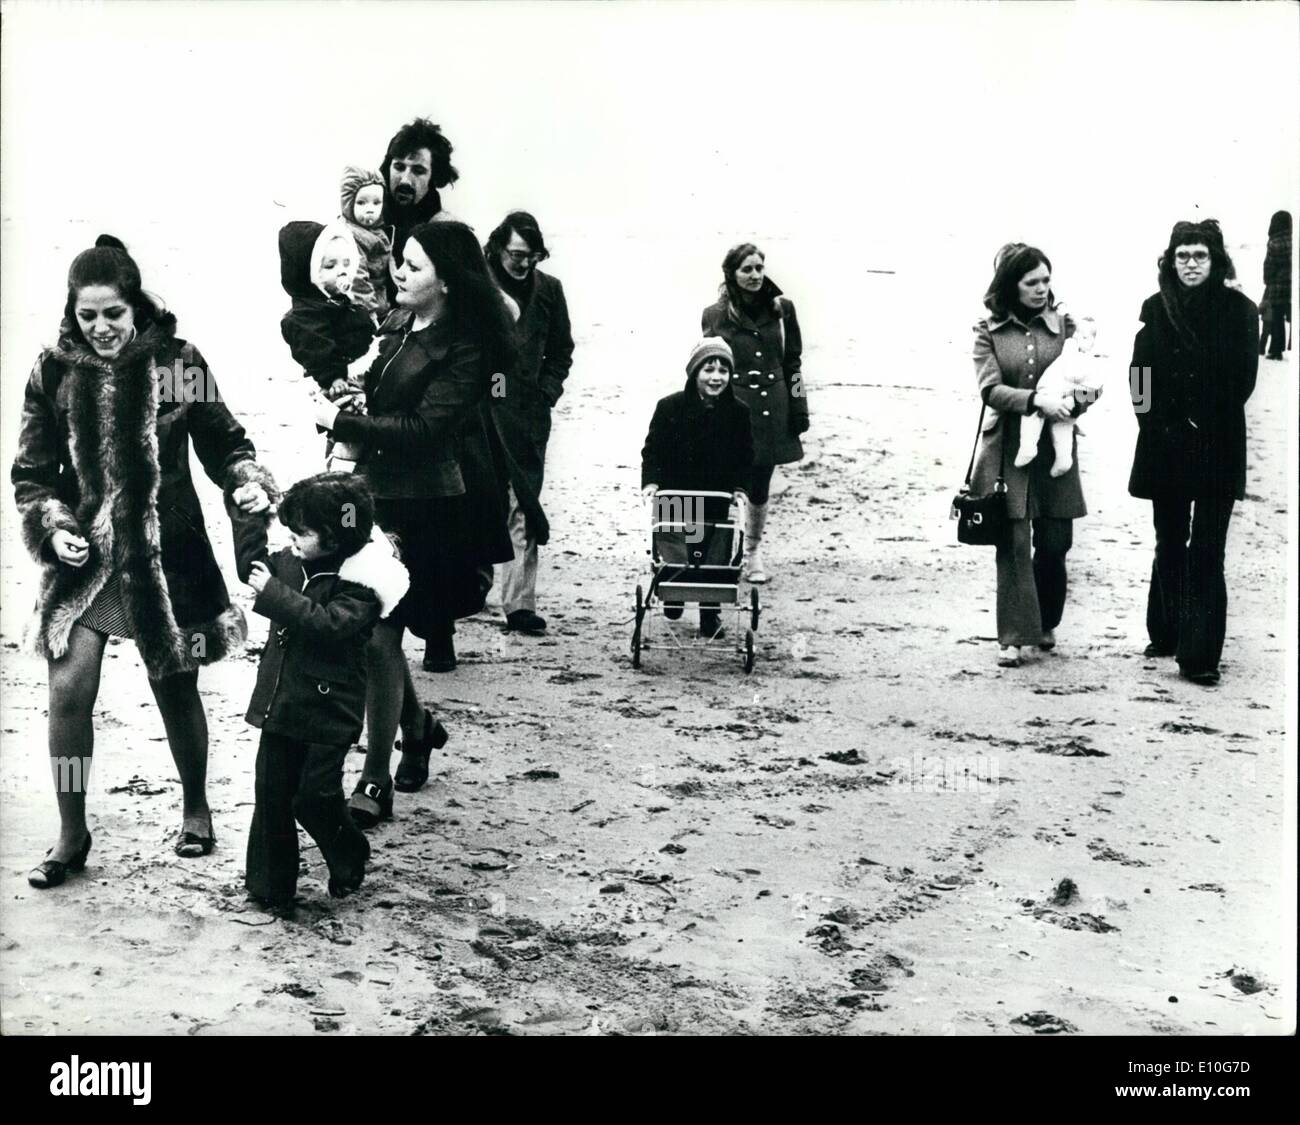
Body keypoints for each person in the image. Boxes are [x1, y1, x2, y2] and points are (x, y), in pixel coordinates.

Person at [12, 235, 277, 887]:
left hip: (165, 559)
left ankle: (195, 805)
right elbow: (31, 474)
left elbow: (225, 443)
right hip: (86, 563)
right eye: (87, 315)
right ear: (71, 313)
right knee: (68, 691)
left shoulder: (178, 362)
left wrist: (246, 477)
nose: (101, 328)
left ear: (136, 306)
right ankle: (71, 830)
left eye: (113, 314)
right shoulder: (51, 371)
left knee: (174, 683)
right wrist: (55, 525)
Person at [313, 220, 514, 819]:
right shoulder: (400, 322)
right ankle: (419, 724)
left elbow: (428, 431)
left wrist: (345, 426)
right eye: (399, 260)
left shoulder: (467, 347)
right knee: (376, 634)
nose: (397, 271)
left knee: (380, 632)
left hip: (429, 506)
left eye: (413, 266)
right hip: (374, 494)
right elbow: (383, 395)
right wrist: (351, 394)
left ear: (447, 284)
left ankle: (374, 778)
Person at [243, 472, 409, 911]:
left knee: (314, 797)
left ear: (336, 538)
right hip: (281, 703)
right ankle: (270, 885)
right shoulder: (293, 559)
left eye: (303, 531)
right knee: (271, 794)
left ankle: (348, 852)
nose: (292, 538)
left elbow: (329, 625)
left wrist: (275, 595)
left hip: (327, 711)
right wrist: (247, 514)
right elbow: (253, 567)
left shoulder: (364, 583)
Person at [1128, 219, 1259, 686]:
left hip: (1216, 445)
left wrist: (1200, 423)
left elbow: (1242, 381)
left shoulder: (1241, 311)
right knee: (1169, 540)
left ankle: (1199, 655)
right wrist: (1152, 423)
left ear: (1216, 260)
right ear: (1171, 259)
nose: (1190, 264)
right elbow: (1139, 377)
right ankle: (1165, 632)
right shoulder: (1155, 308)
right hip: (1162, 444)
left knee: (1207, 548)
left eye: (1200, 255)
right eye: (1182, 255)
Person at [971, 243, 1092, 669]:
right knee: (1014, 542)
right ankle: (1014, 636)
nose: (1042, 289)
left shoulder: (1066, 326)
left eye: (1046, 280)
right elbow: (989, 390)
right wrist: (1037, 401)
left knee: (1057, 541)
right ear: (1011, 286)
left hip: (1055, 449)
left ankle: (1045, 621)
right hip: (1007, 449)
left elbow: (1090, 379)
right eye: (1031, 282)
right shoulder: (987, 330)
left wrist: (1076, 404)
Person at [483, 211, 574, 635]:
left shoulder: (551, 290)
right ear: (499, 248)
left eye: (531, 256)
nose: (522, 263)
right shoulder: (480, 284)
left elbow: (561, 351)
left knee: (525, 505)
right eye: (516, 254)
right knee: (480, 503)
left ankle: (520, 604)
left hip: (528, 418)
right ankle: (470, 591)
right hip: (479, 413)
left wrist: (546, 393)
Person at [701, 242, 808, 584]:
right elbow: (709, 367)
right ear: (731, 275)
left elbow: (793, 364)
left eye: (759, 268)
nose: (755, 276)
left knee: (761, 483)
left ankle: (752, 552)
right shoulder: (715, 315)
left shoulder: (784, 309)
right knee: (724, 480)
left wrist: (799, 406)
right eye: (746, 269)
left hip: (773, 407)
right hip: (735, 407)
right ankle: (716, 552)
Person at [641, 338, 753, 638]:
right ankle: (673, 591)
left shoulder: (738, 412)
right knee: (676, 545)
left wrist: (740, 487)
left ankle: (709, 611)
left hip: (715, 494)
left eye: (723, 371)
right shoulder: (669, 407)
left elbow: (745, 456)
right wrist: (651, 482)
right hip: (677, 493)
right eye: (708, 369)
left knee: (713, 554)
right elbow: (652, 450)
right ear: (694, 373)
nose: (716, 377)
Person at [1013, 318, 1102, 478]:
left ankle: (1055, 458)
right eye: (1077, 336)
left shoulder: (1069, 336)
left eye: (1085, 337)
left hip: (1058, 400)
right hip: (1025, 409)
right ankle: (1032, 449)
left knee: (1056, 427)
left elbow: (1096, 388)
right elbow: (991, 389)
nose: (1078, 338)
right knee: (1047, 423)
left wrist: (1075, 403)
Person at [379, 118, 458, 277]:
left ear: (434, 176)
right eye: (399, 167)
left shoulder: (448, 231)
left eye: (418, 170)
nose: (405, 180)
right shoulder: (364, 219)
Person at [339, 166, 394, 324]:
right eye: (362, 203)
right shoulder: (351, 236)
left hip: (381, 300)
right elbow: (357, 277)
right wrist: (370, 313)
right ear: (348, 203)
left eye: (376, 203)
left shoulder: (376, 230)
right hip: (363, 307)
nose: (370, 210)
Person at [1258, 210, 1291, 361]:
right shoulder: (1294, 239)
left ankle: (1276, 350)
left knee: (1277, 319)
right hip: (1293, 287)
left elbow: (1269, 266)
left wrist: (1268, 281)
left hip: (1278, 288)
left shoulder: (1274, 242)